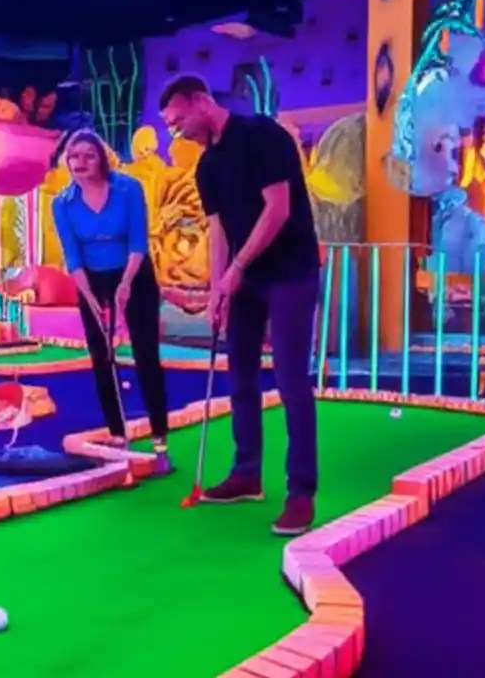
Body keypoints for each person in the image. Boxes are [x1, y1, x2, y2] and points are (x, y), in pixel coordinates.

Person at [158, 75, 321, 535]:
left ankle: (301, 493)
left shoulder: (263, 136)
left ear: (203, 102)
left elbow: (278, 209)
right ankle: (247, 472)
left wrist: (239, 268)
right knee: (241, 377)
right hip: (245, 282)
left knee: (290, 382)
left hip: (290, 271)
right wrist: (217, 291)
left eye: (179, 120)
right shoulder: (206, 166)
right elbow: (217, 231)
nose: (177, 131)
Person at [50, 129, 172, 474]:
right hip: (91, 278)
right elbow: (72, 256)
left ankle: (160, 439)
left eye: (88, 155)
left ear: (101, 157)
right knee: (102, 355)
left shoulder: (128, 189)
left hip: (135, 273)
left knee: (146, 356)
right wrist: (90, 297)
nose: (80, 163)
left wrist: (126, 284)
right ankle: (119, 436)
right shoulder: (62, 203)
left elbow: (138, 242)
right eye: (74, 157)